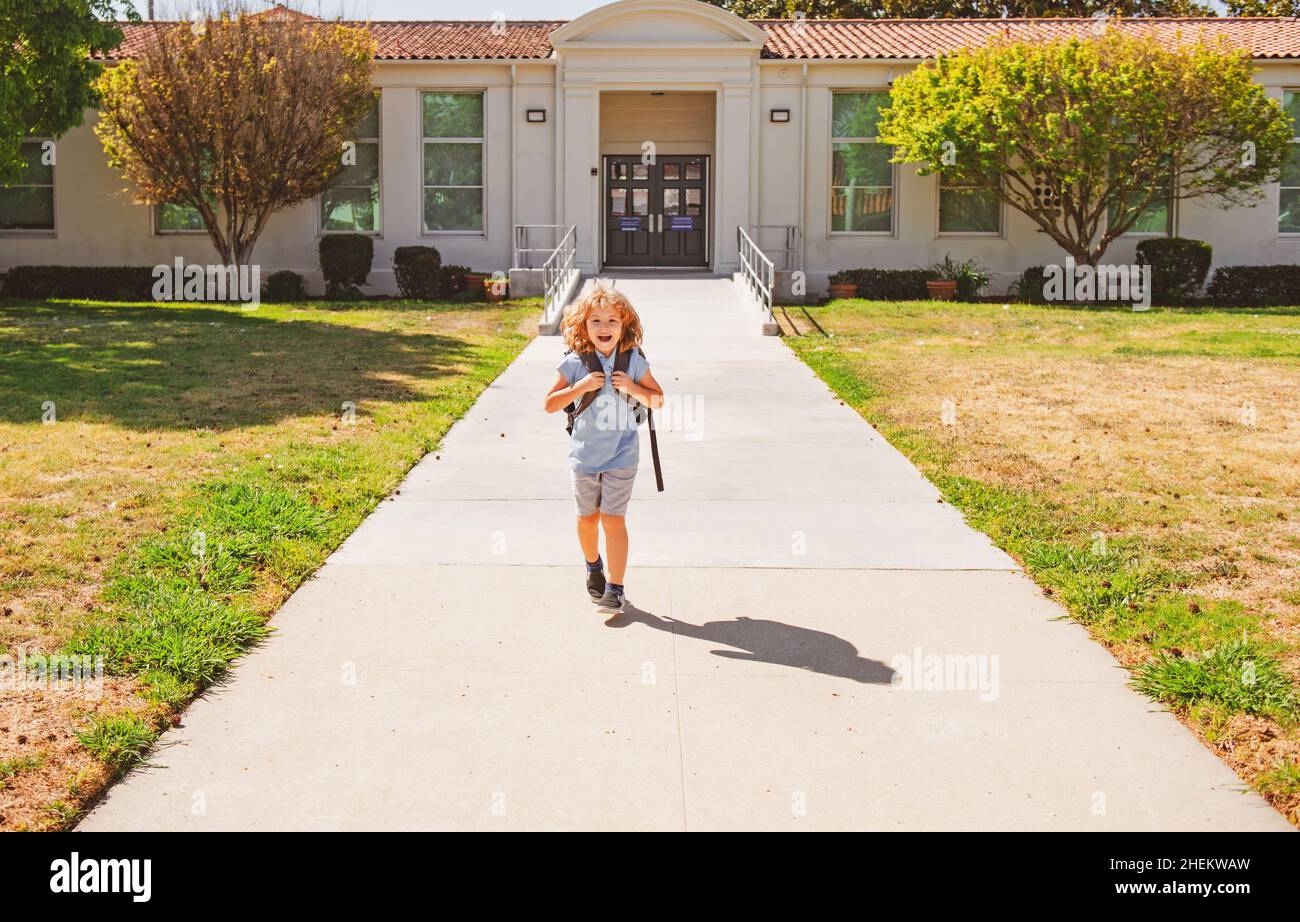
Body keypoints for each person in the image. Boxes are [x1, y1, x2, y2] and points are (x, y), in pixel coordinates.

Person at [543, 283, 664, 616]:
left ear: (624, 324)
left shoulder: (632, 359)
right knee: (587, 520)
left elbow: (658, 399)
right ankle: (593, 565)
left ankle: (616, 587)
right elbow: (551, 405)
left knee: (613, 519)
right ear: (583, 326)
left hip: (623, 454)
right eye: (596, 321)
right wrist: (580, 386)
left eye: (612, 320)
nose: (605, 327)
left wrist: (633, 386)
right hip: (584, 456)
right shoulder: (575, 362)